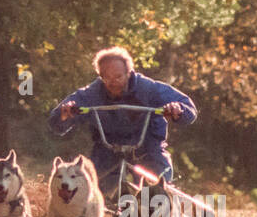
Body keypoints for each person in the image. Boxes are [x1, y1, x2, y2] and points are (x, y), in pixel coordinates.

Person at [47, 46, 198, 202]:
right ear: (100, 76)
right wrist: (64, 115)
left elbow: (188, 109)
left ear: (129, 72)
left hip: (146, 147)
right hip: (108, 149)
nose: (113, 82)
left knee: (158, 184)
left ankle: (160, 209)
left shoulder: (148, 88)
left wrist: (177, 110)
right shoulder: (91, 93)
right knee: (87, 188)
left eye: (118, 76)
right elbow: (56, 123)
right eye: (107, 77)